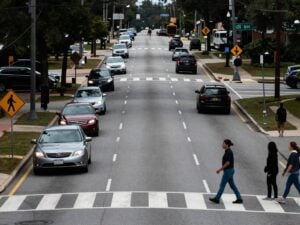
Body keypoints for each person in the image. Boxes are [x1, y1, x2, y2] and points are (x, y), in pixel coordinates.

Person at [209, 139, 243, 204]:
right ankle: (239, 198)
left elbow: (227, 163)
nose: (222, 144)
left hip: (228, 171)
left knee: (222, 185)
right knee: (232, 185)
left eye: (223, 143)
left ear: (227, 145)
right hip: (230, 170)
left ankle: (217, 198)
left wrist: (220, 169)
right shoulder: (228, 151)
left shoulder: (228, 152)